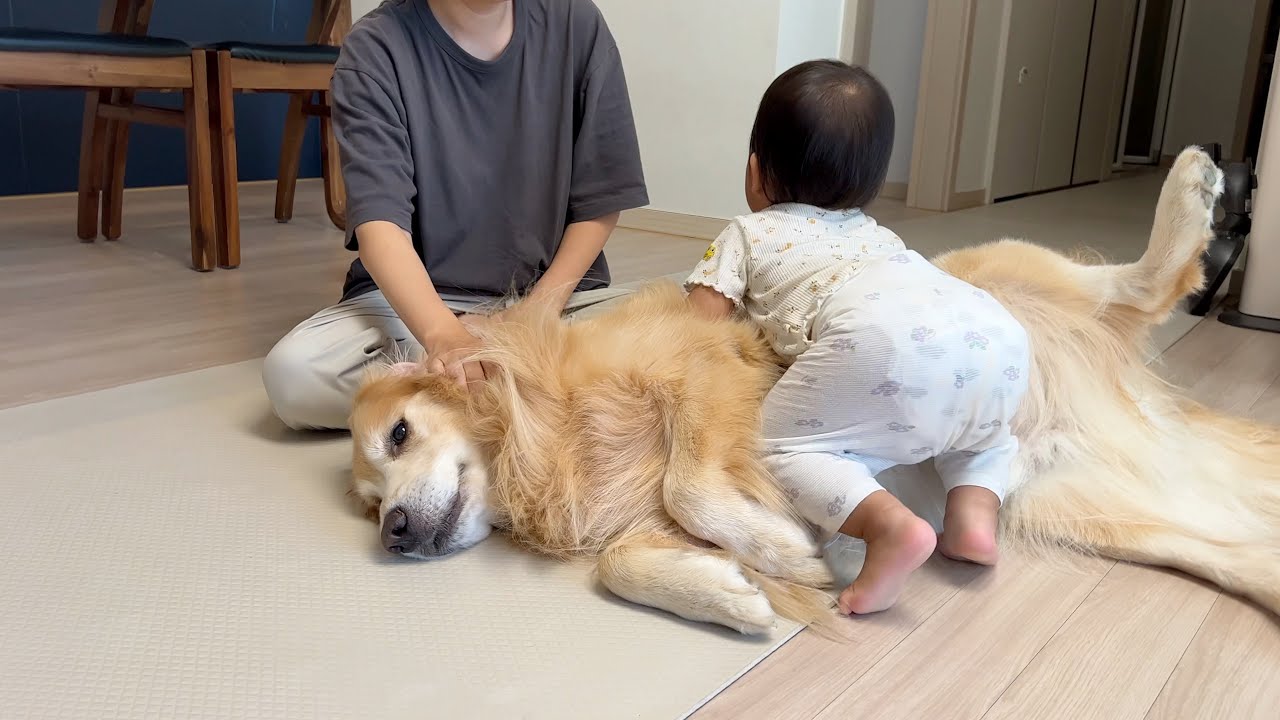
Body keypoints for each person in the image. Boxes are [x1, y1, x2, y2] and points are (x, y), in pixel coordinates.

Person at [686, 60, 1030, 615]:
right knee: (985, 436)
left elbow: (697, 331)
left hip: (883, 346)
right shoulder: (879, 234)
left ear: (756, 169)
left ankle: (888, 526)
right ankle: (972, 520)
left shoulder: (746, 233)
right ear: (870, 184)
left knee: (777, 447)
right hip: (996, 337)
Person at [262, 0, 648, 430]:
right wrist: (445, 337)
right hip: (418, 311)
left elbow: (599, 204)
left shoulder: (578, 24)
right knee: (294, 377)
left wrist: (534, 315)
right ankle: (524, 399)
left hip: (553, 304)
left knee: (674, 334)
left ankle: (457, 404)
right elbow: (380, 230)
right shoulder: (376, 47)